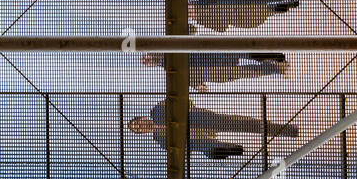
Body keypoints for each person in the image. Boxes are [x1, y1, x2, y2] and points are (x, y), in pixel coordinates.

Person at [127, 100, 299, 159]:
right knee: (199, 146)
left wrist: (190, 112)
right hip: (201, 138)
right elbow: (180, 150)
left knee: (245, 124)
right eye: (138, 129)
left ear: (142, 117)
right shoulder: (159, 139)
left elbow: (181, 100)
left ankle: (287, 130)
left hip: (204, 120)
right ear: (142, 134)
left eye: (138, 123)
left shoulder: (158, 110)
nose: (141, 126)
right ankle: (219, 149)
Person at [188, 0, 318, 32]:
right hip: (245, 15)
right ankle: (292, 4)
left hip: (244, 0)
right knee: (272, 9)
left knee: (274, 1)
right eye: (189, 13)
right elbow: (222, 28)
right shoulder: (202, 20)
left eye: (189, 8)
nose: (190, 11)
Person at [140, 51, 291, 92]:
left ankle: (277, 60)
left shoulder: (170, 51)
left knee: (245, 59)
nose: (149, 60)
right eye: (147, 62)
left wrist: (196, 84)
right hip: (212, 72)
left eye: (147, 57)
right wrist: (197, 85)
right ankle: (278, 67)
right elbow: (187, 78)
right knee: (247, 70)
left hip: (211, 60)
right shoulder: (168, 69)